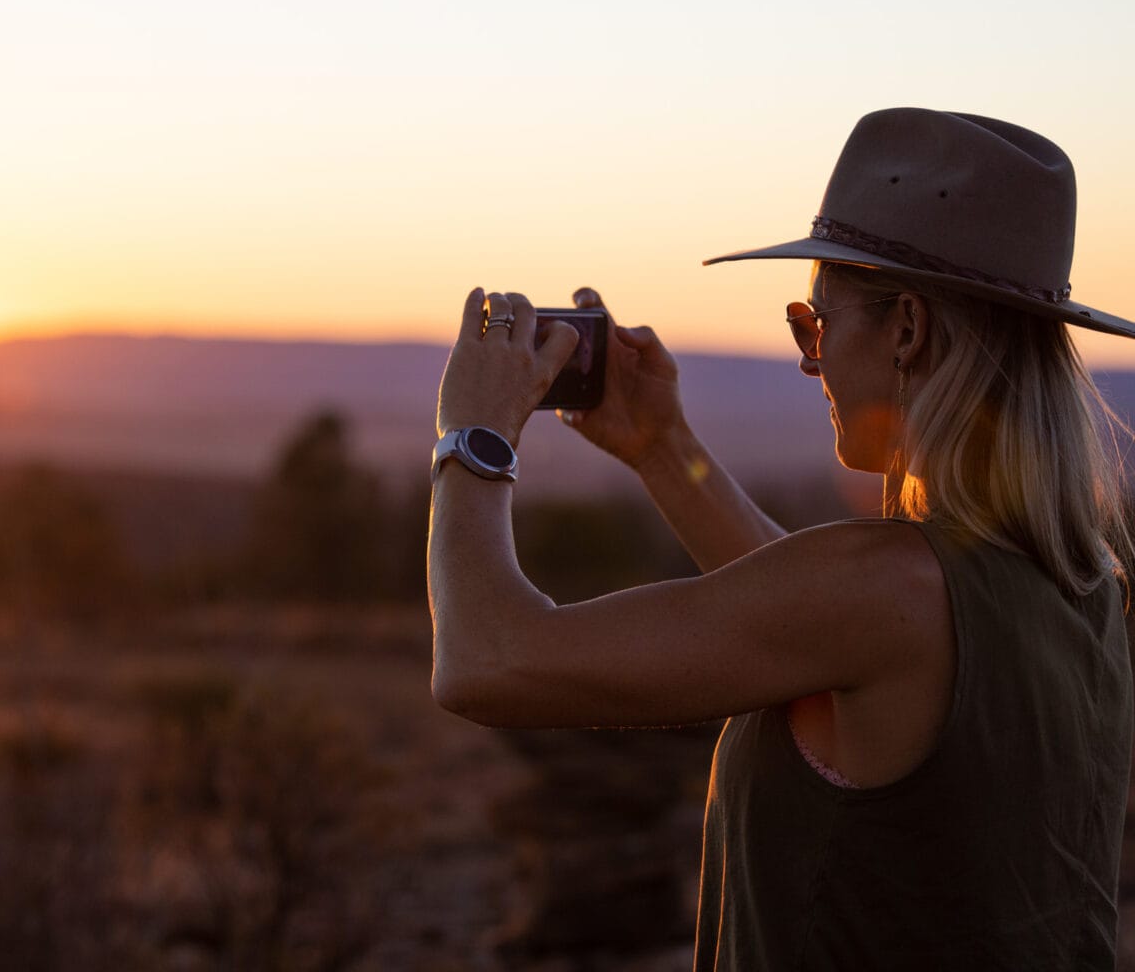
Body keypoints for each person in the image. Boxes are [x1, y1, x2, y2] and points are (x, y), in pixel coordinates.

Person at [427, 107, 1135, 969]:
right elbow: (803, 617)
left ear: (907, 329)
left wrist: (472, 434)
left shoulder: (888, 588)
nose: (810, 360)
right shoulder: (1085, 584)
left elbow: (485, 660)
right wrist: (663, 449)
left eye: (816, 323)